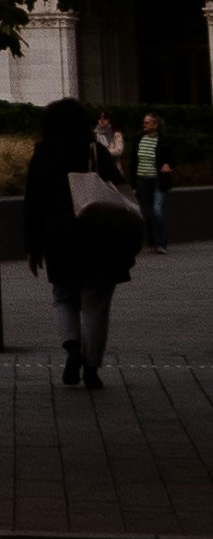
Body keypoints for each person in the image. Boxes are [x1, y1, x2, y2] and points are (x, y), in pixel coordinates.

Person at [26, 96, 140, 388]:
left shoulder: (43, 153)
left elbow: (33, 202)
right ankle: (91, 369)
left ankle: (72, 349)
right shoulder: (95, 151)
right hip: (98, 235)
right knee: (96, 305)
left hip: (60, 238)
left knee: (63, 296)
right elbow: (121, 190)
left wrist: (32, 245)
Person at [137, 114, 174, 254]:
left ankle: (161, 243)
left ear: (155, 125)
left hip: (158, 181)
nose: (144, 124)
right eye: (144, 122)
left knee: (157, 211)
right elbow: (136, 161)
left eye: (147, 123)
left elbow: (172, 159)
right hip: (142, 180)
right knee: (147, 213)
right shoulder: (139, 139)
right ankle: (153, 241)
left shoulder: (163, 140)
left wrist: (168, 165)